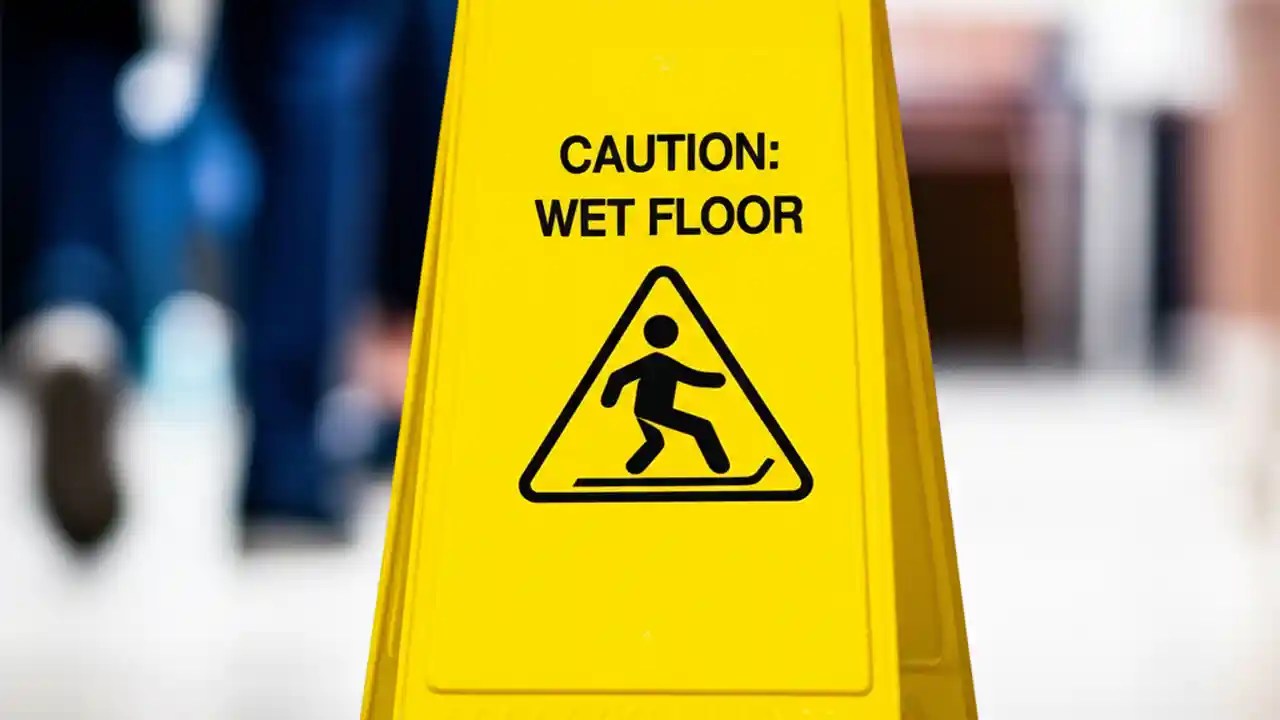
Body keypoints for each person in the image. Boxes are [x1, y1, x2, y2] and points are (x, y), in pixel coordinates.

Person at [601, 315, 730, 475]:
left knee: (656, 442)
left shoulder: (652, 362)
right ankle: (720, 466)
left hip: (643, 411)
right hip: (659, 413)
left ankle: (632, 468)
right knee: (702, 427)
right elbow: (693, 377)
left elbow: (617, 377)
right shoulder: (663, 364)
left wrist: (609, 399)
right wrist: (718, 380)